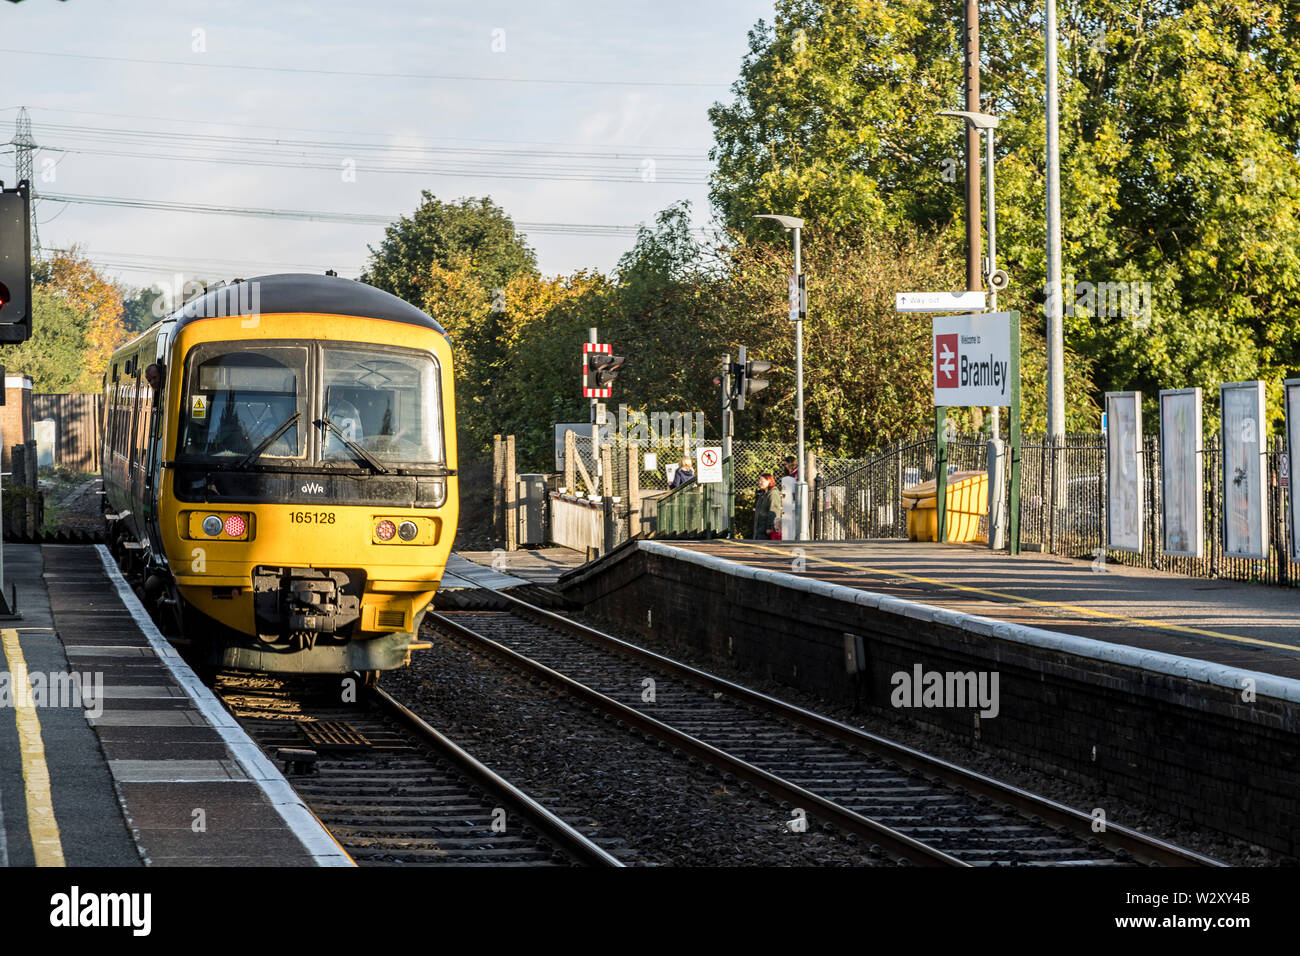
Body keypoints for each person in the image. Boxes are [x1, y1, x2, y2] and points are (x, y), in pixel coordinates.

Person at [752, 473, 783, 539]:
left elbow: (774, 511)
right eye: (759, 480)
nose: (760, 482)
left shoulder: (773, 494)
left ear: (769, 481)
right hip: (760, 530)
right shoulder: (763, 494)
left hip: (766, 531)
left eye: (762, 481)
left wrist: (770, 527)